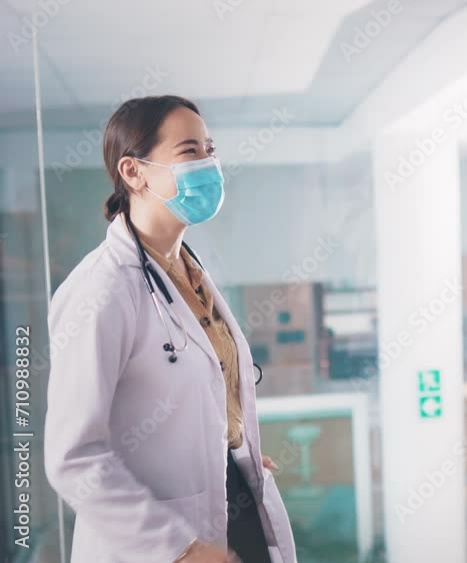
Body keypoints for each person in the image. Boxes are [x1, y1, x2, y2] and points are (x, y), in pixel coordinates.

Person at [44, 95, 296, 563]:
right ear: (133, 172)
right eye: (189, 151)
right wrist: (178, 549)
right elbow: (74, 458)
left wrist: (227, 453)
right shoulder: (101, 289)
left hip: (229, 499)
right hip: (158, 543)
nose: (209, 164)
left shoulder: (188, 270)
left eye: (210, 149)